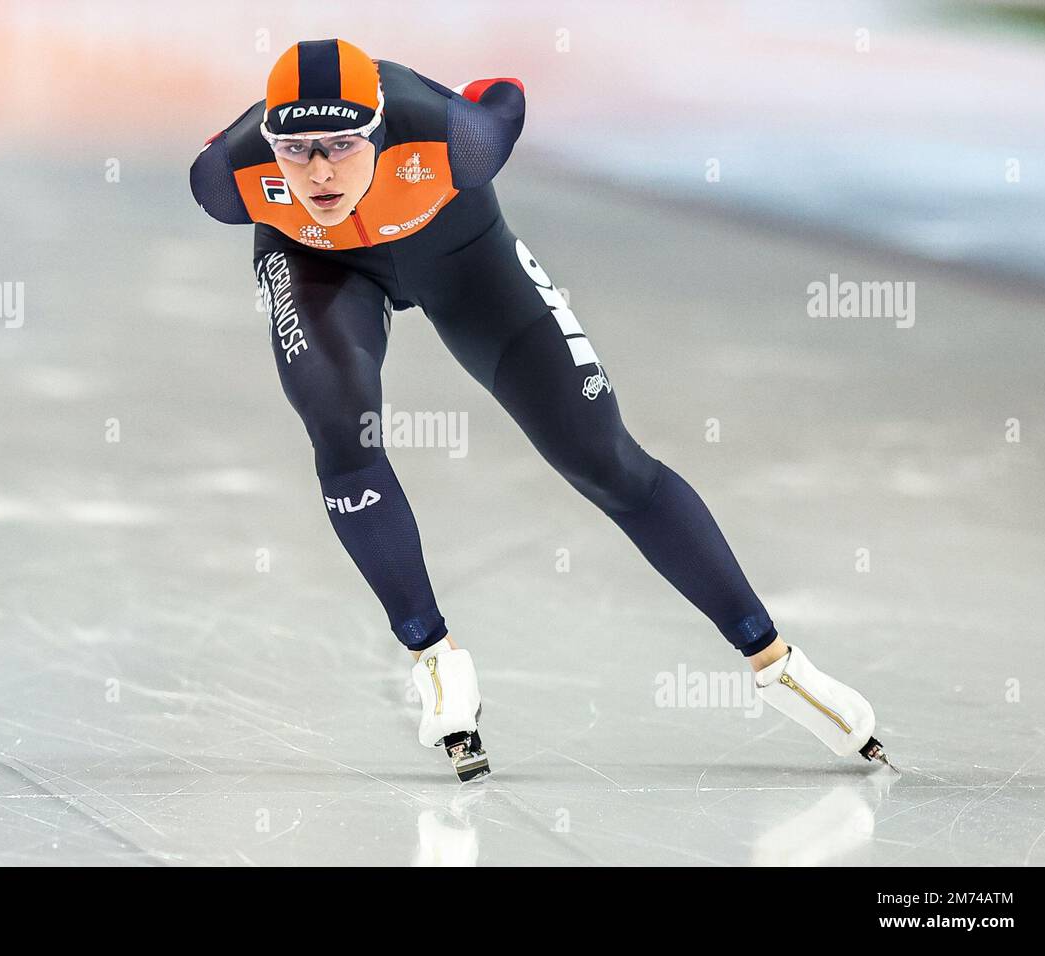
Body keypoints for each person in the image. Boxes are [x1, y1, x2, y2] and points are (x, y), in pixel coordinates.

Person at [190, 38, 891, 780]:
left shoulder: (455, 138)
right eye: (295, 149)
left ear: (381, 128)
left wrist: (471, 98)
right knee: (339, 421)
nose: (320, 171)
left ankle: (778, 664)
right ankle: (432, 655)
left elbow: (503, 91)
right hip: (319, 265)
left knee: (603, 459)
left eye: (341, 144)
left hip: (462, 259)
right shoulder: (227, 177)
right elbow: (220, 153)